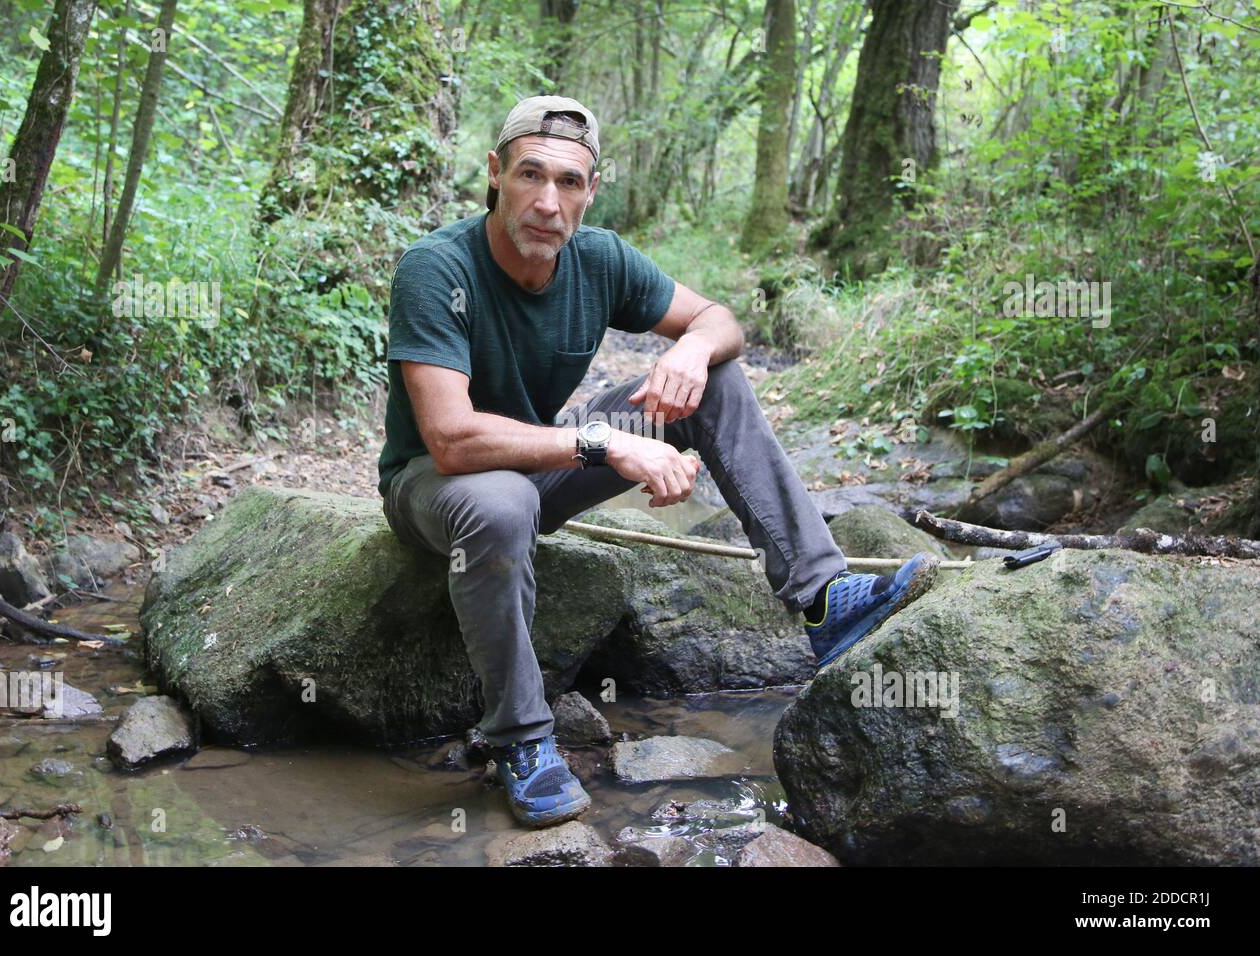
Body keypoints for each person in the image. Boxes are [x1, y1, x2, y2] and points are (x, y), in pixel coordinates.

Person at [377, 95, 938, 828]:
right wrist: (608, 442)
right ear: (495, 173)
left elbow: (721, 320)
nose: (549, 202)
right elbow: (450, 438)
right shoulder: (436, 270)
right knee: (501, 503)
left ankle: (822, 597)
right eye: (530, 176)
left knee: (719, 379)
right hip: (437, 483)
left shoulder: (598, 258)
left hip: (539, 461)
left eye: (569, 182)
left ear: (591, 190)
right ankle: (519, 740)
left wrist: (692, 349)